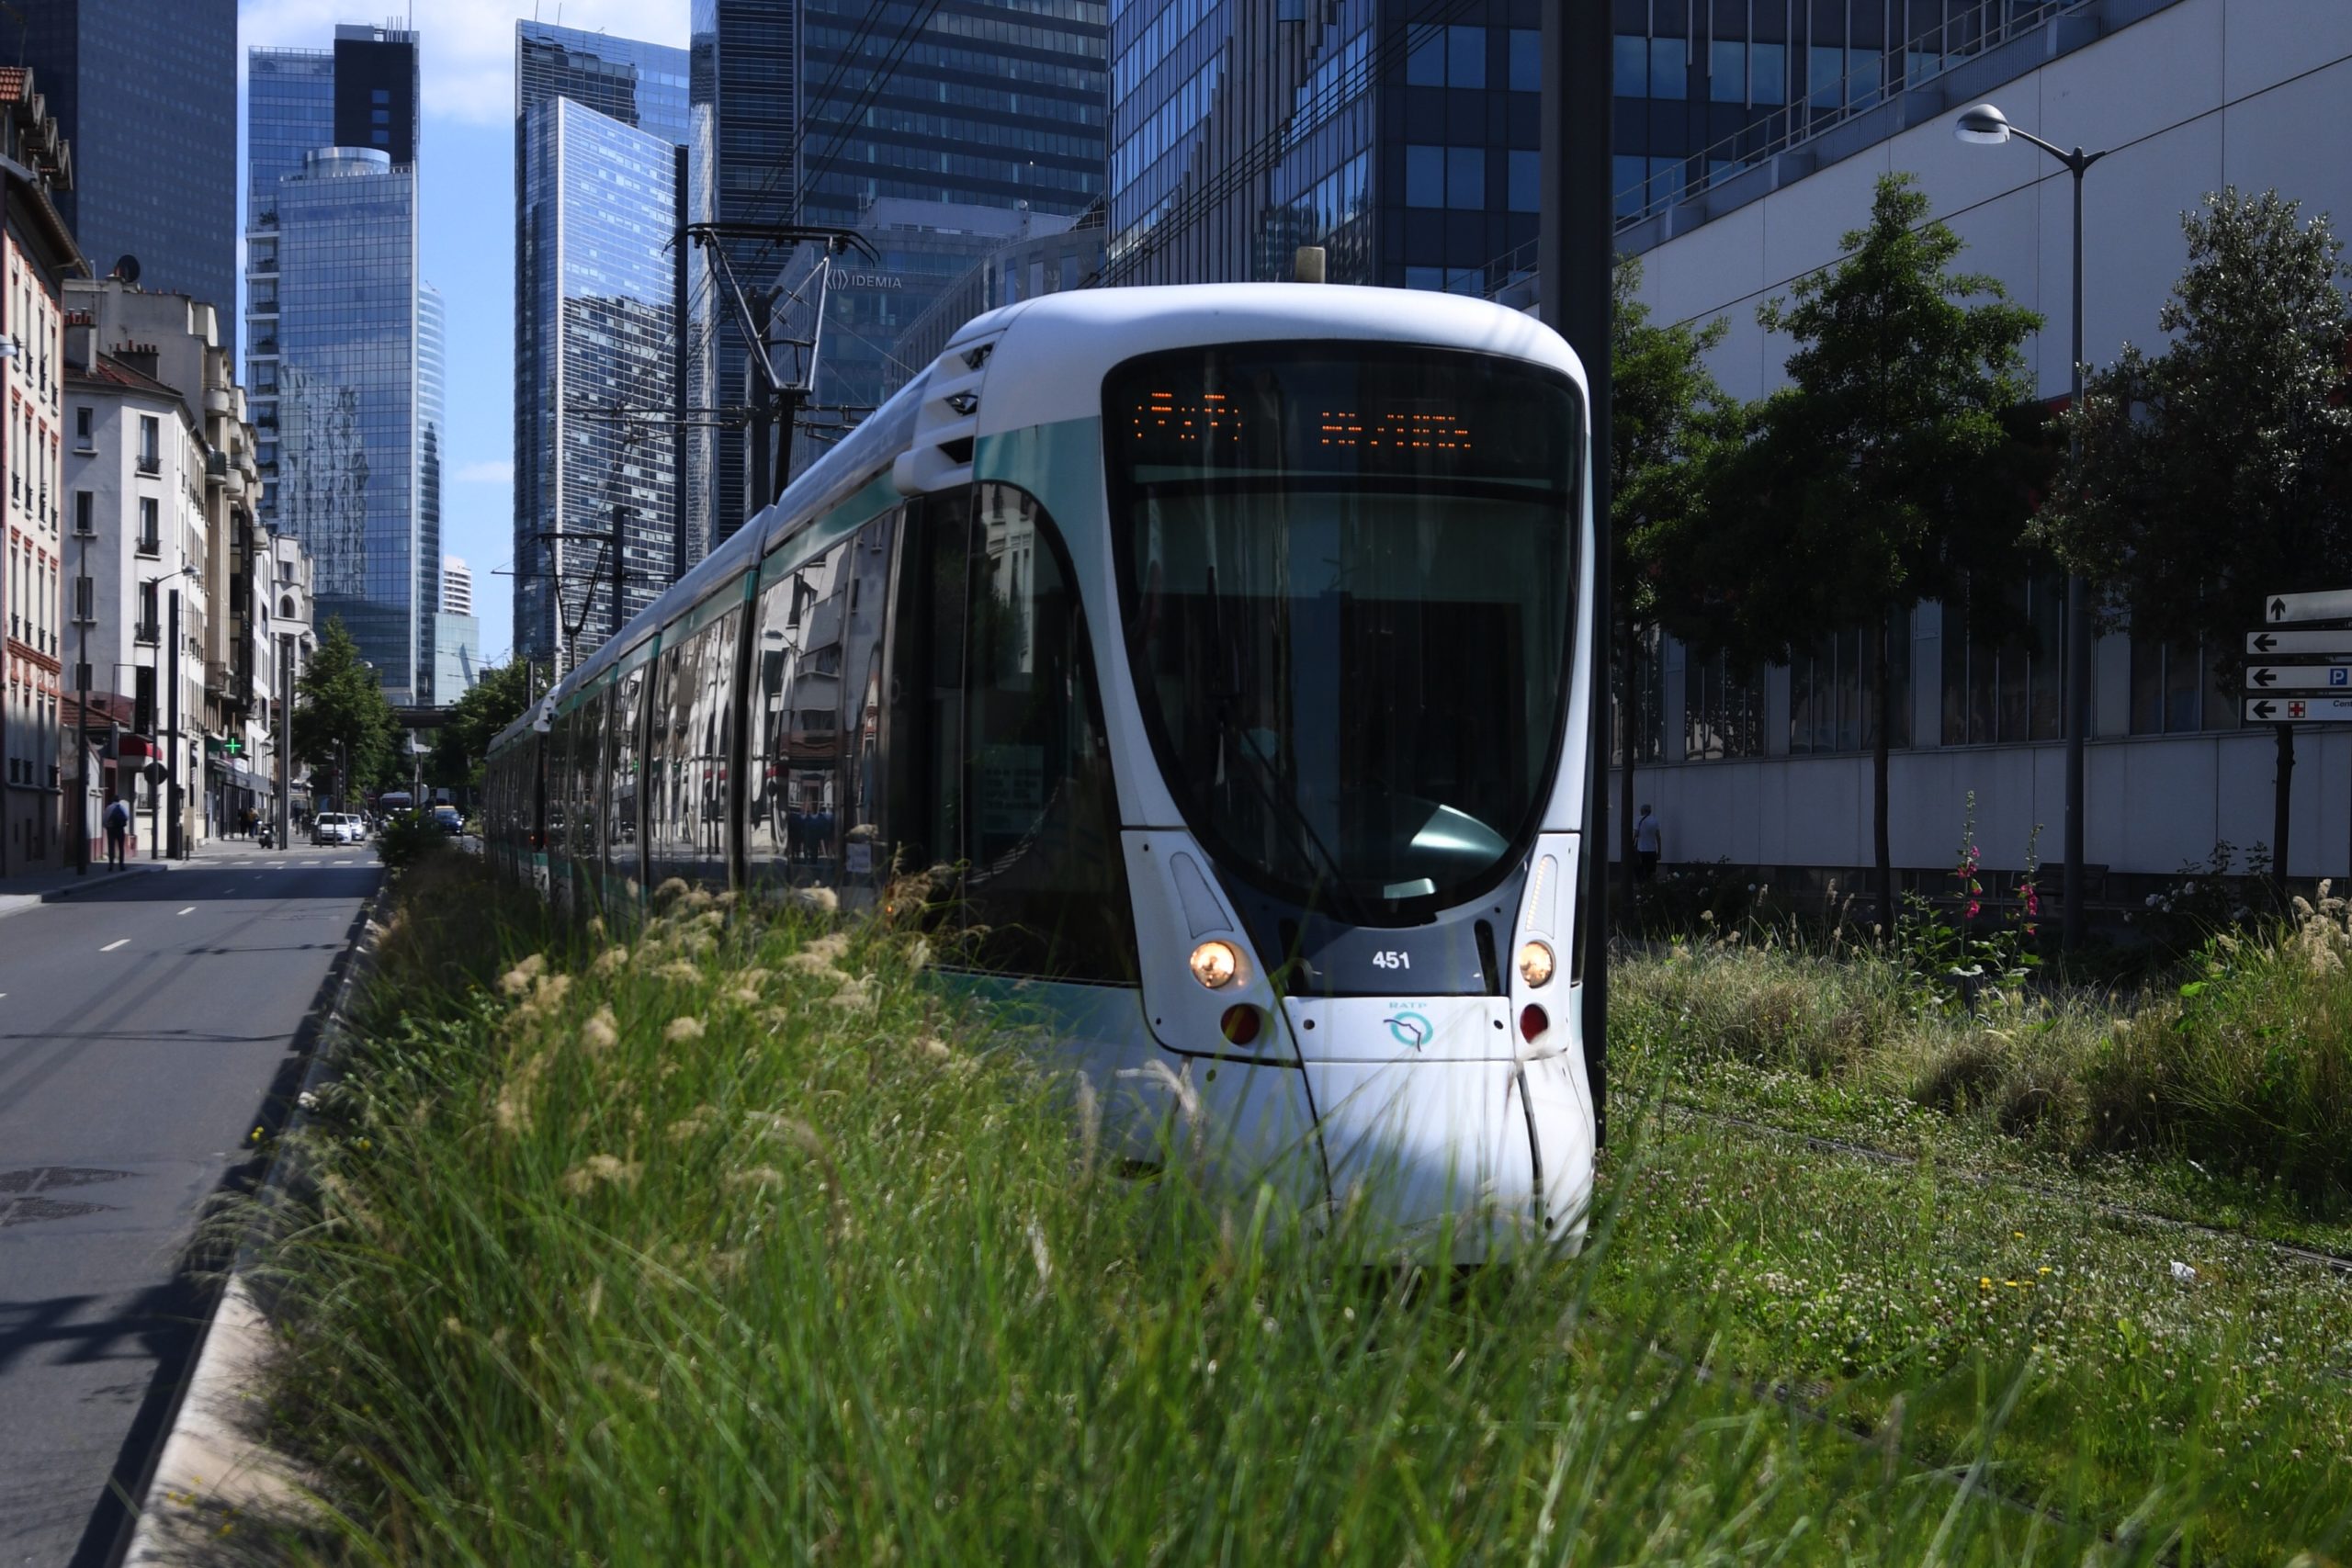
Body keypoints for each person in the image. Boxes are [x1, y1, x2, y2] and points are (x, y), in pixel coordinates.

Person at [1634, 804, 1663, 883]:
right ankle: (1650, 888)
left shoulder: (1638, 819)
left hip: (1641, 850)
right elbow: (1658, 837)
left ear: (1642, 811)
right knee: (1651, 872)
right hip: (1652, 850)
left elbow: (1636, 834)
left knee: (1639, 870)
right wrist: (1659, 852)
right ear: (1650, 811)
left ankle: (1641, 886)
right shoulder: (1654, 820)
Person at [103, 790, 130, 869]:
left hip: (111, 829)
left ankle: (111, 865)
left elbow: (105, 819)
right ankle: (121, 864)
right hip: (120, 829)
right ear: (119, 800)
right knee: (121, 847)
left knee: (111, 847)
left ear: (112, 800)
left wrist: (107, 826)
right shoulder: (122, 808)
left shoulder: (109, 808)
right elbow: (127, 817)